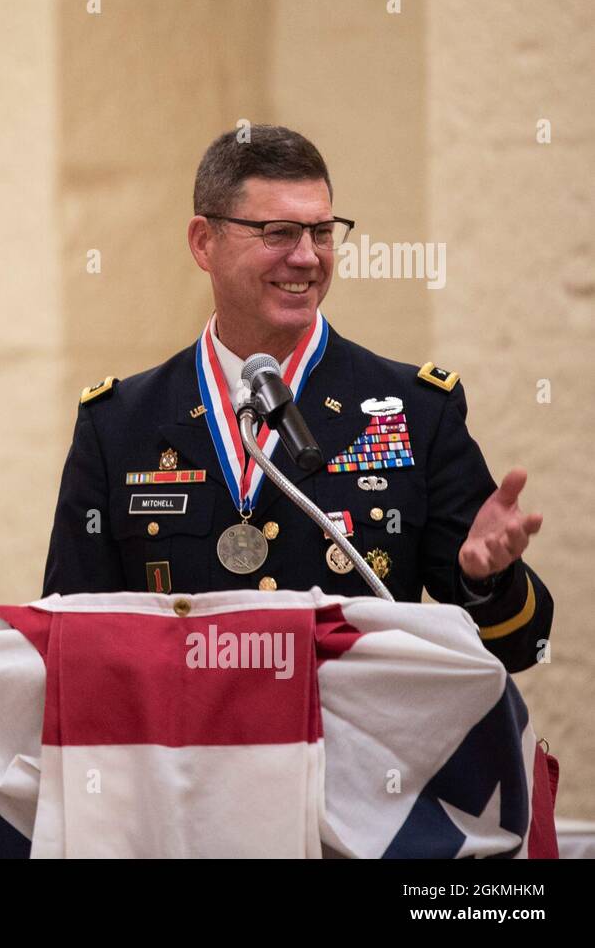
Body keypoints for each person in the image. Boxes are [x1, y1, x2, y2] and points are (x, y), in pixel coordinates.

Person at [42, 124, 552, 673]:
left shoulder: (413, 410)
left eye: (323, 232)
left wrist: (487, 580)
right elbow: (70, 642)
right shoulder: (120, 423)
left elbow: (519, 649)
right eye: (279, 232)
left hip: (351, 754)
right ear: (203, 242)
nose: (308, 257)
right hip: (185, 754)